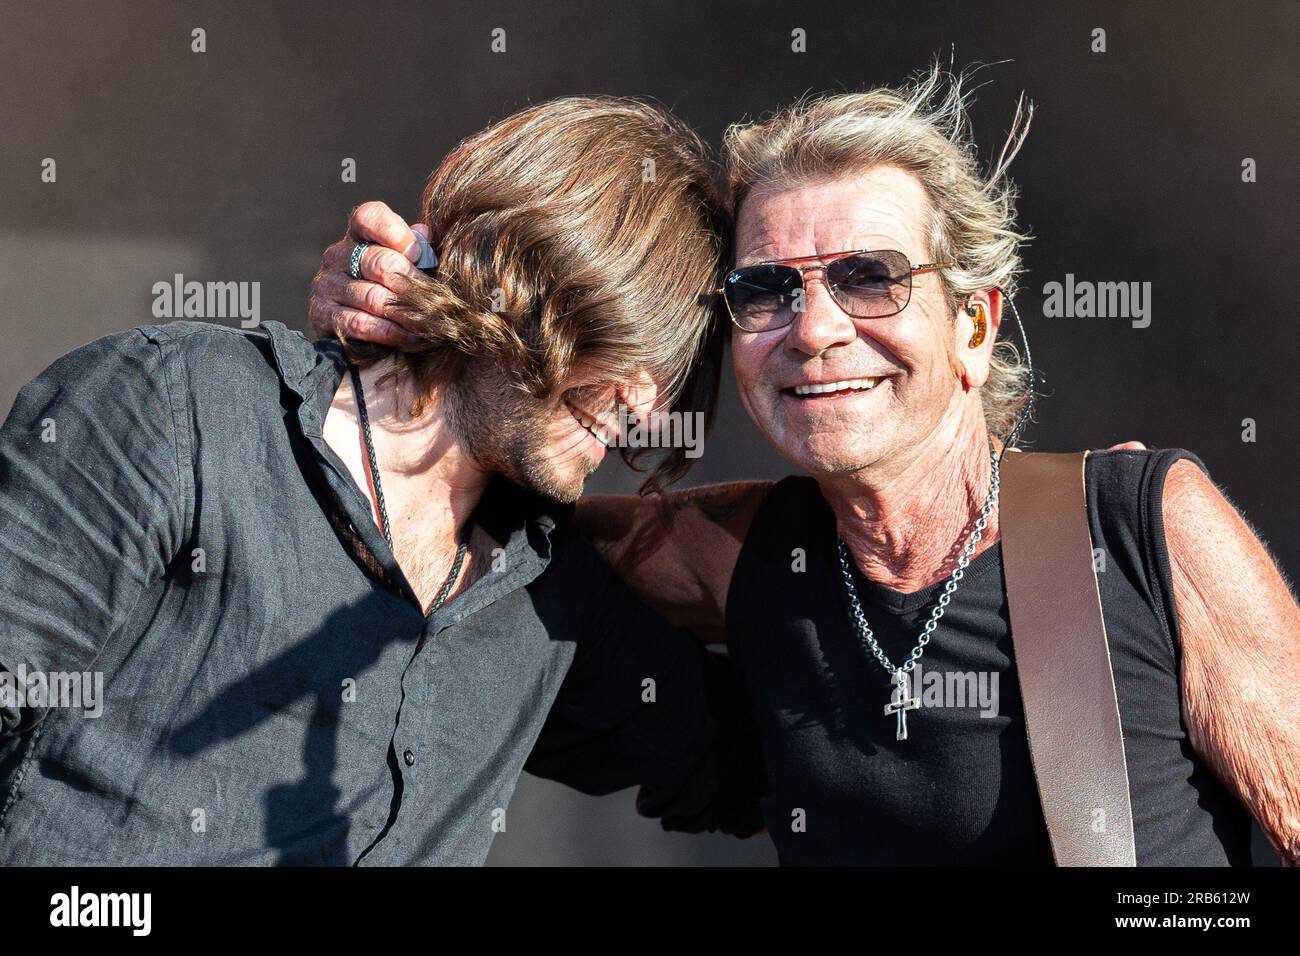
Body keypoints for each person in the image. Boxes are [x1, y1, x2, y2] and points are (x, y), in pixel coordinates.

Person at [319, 66, 1300, 865]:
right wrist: (410, 335)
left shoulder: (1135, 524)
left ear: (972, 323)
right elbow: (469, 511)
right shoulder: (747, 552)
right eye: (765, 291)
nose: (816, 329)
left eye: (868, 276)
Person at [0, 96, 763, 866]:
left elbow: (761, 767)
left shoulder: (552, 591)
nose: (645, 404)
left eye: (671, 374)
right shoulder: (184, 405)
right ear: (538, 272)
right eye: (638, 351)